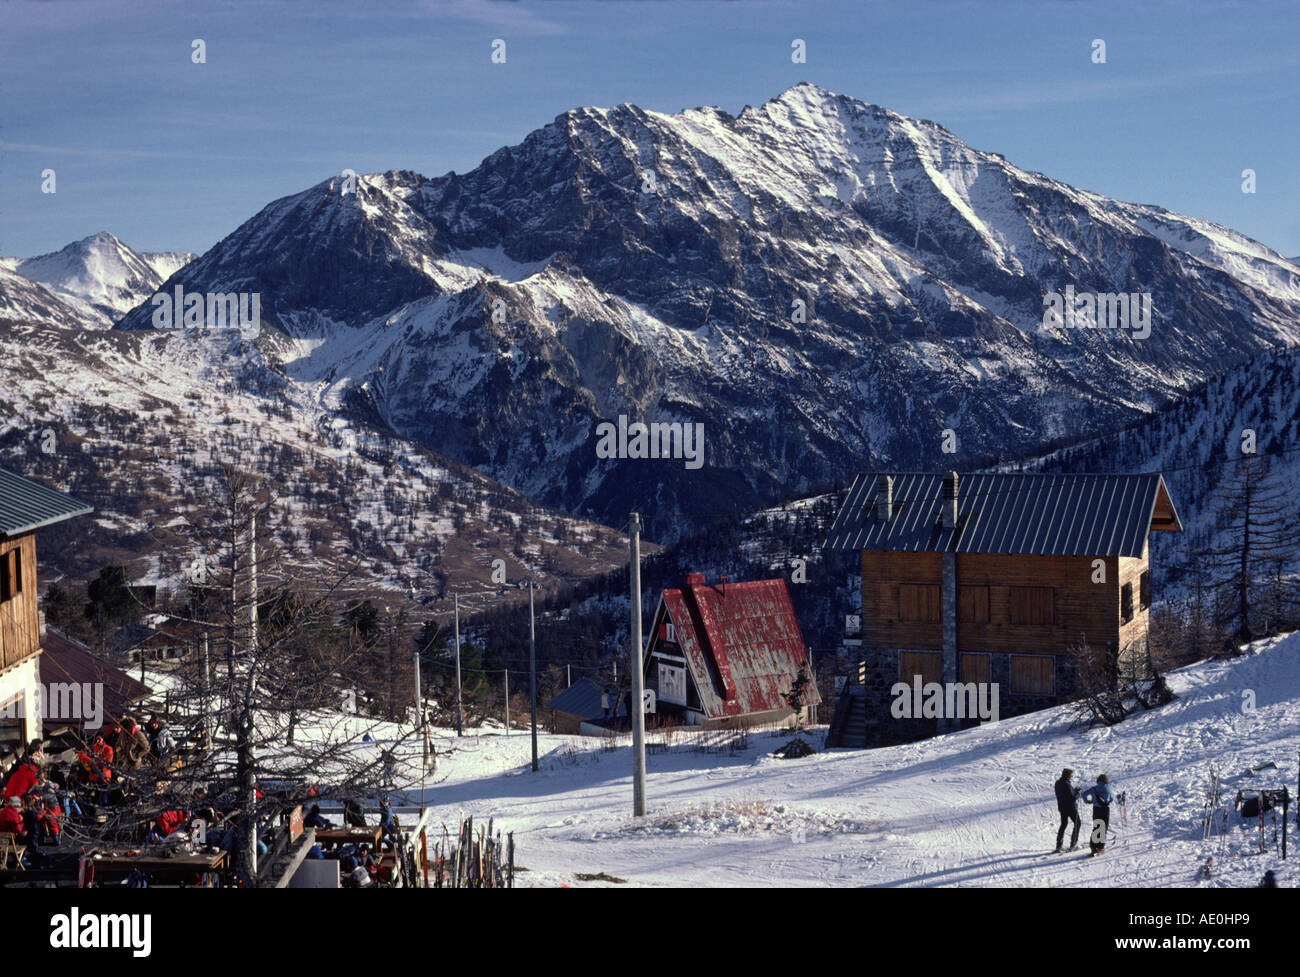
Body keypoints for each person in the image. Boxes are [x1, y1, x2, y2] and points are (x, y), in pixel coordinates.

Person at [1081, 774, 1118, 856]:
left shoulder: (1094, 789)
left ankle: (1093, 847)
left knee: (1096, 827)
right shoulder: (1108, 788)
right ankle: (1100, 847)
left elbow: (1083, 794)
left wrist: (1088, 801)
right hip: (1105, 810)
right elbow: (1111, 798)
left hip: (1096, 810)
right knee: (1103, 828)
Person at [1054, 767, 1081, 853]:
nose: (1071, 777)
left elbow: (1065, 794)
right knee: (1077, 823)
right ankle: (1073, 844)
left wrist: (1075, 791)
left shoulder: (1058, 783)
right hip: (1070, 807)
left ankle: (1059, 845)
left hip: (1062, 807)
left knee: (1063, 824)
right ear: (1068, 775)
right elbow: (1072, 798)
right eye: (1071, 775)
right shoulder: (1066, 784)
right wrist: (1078, 793)